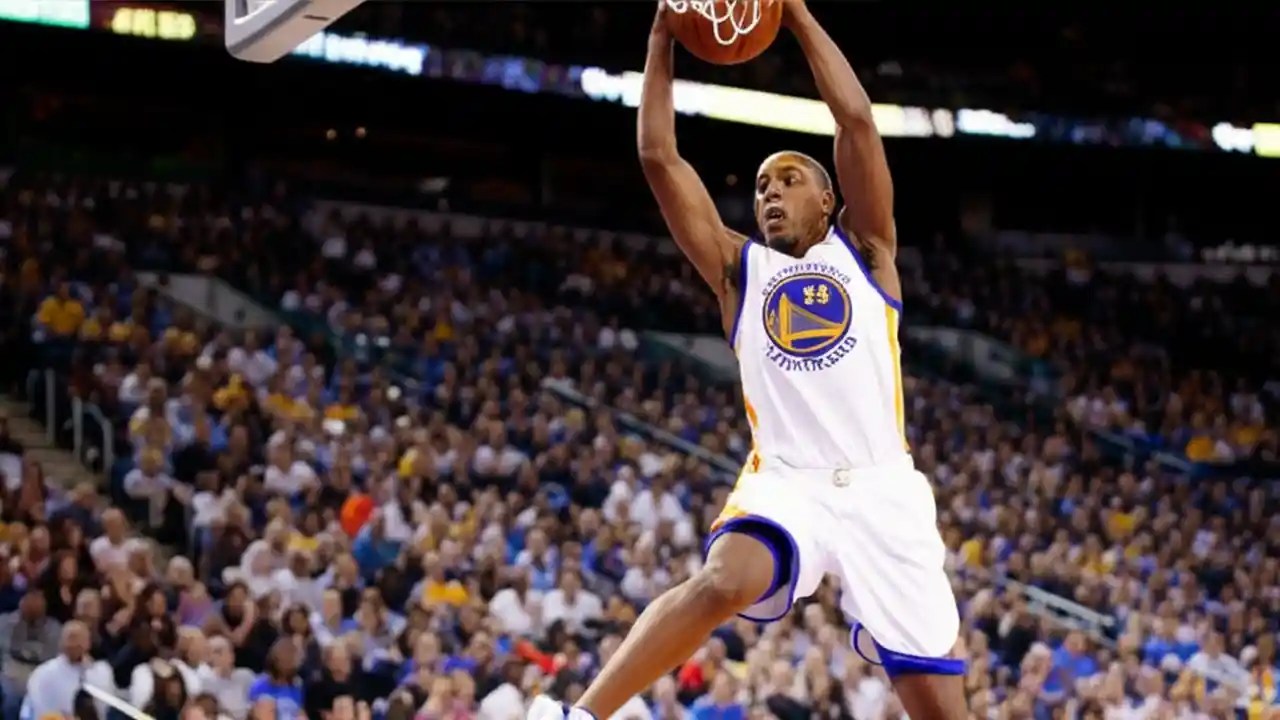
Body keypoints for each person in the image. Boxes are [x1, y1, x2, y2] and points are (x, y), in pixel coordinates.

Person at [528, 1, 966, 719]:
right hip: (789, 479)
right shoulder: (739, 270)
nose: (772, 194)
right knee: (725, 580)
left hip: (884, 489)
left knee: (942, 711)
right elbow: (659, 158)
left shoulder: (868, 250)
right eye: (762, 186)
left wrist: (795, 14)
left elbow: (856, 123)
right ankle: (580, 714)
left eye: (789, 180)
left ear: (828, 198)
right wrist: (661, 38)